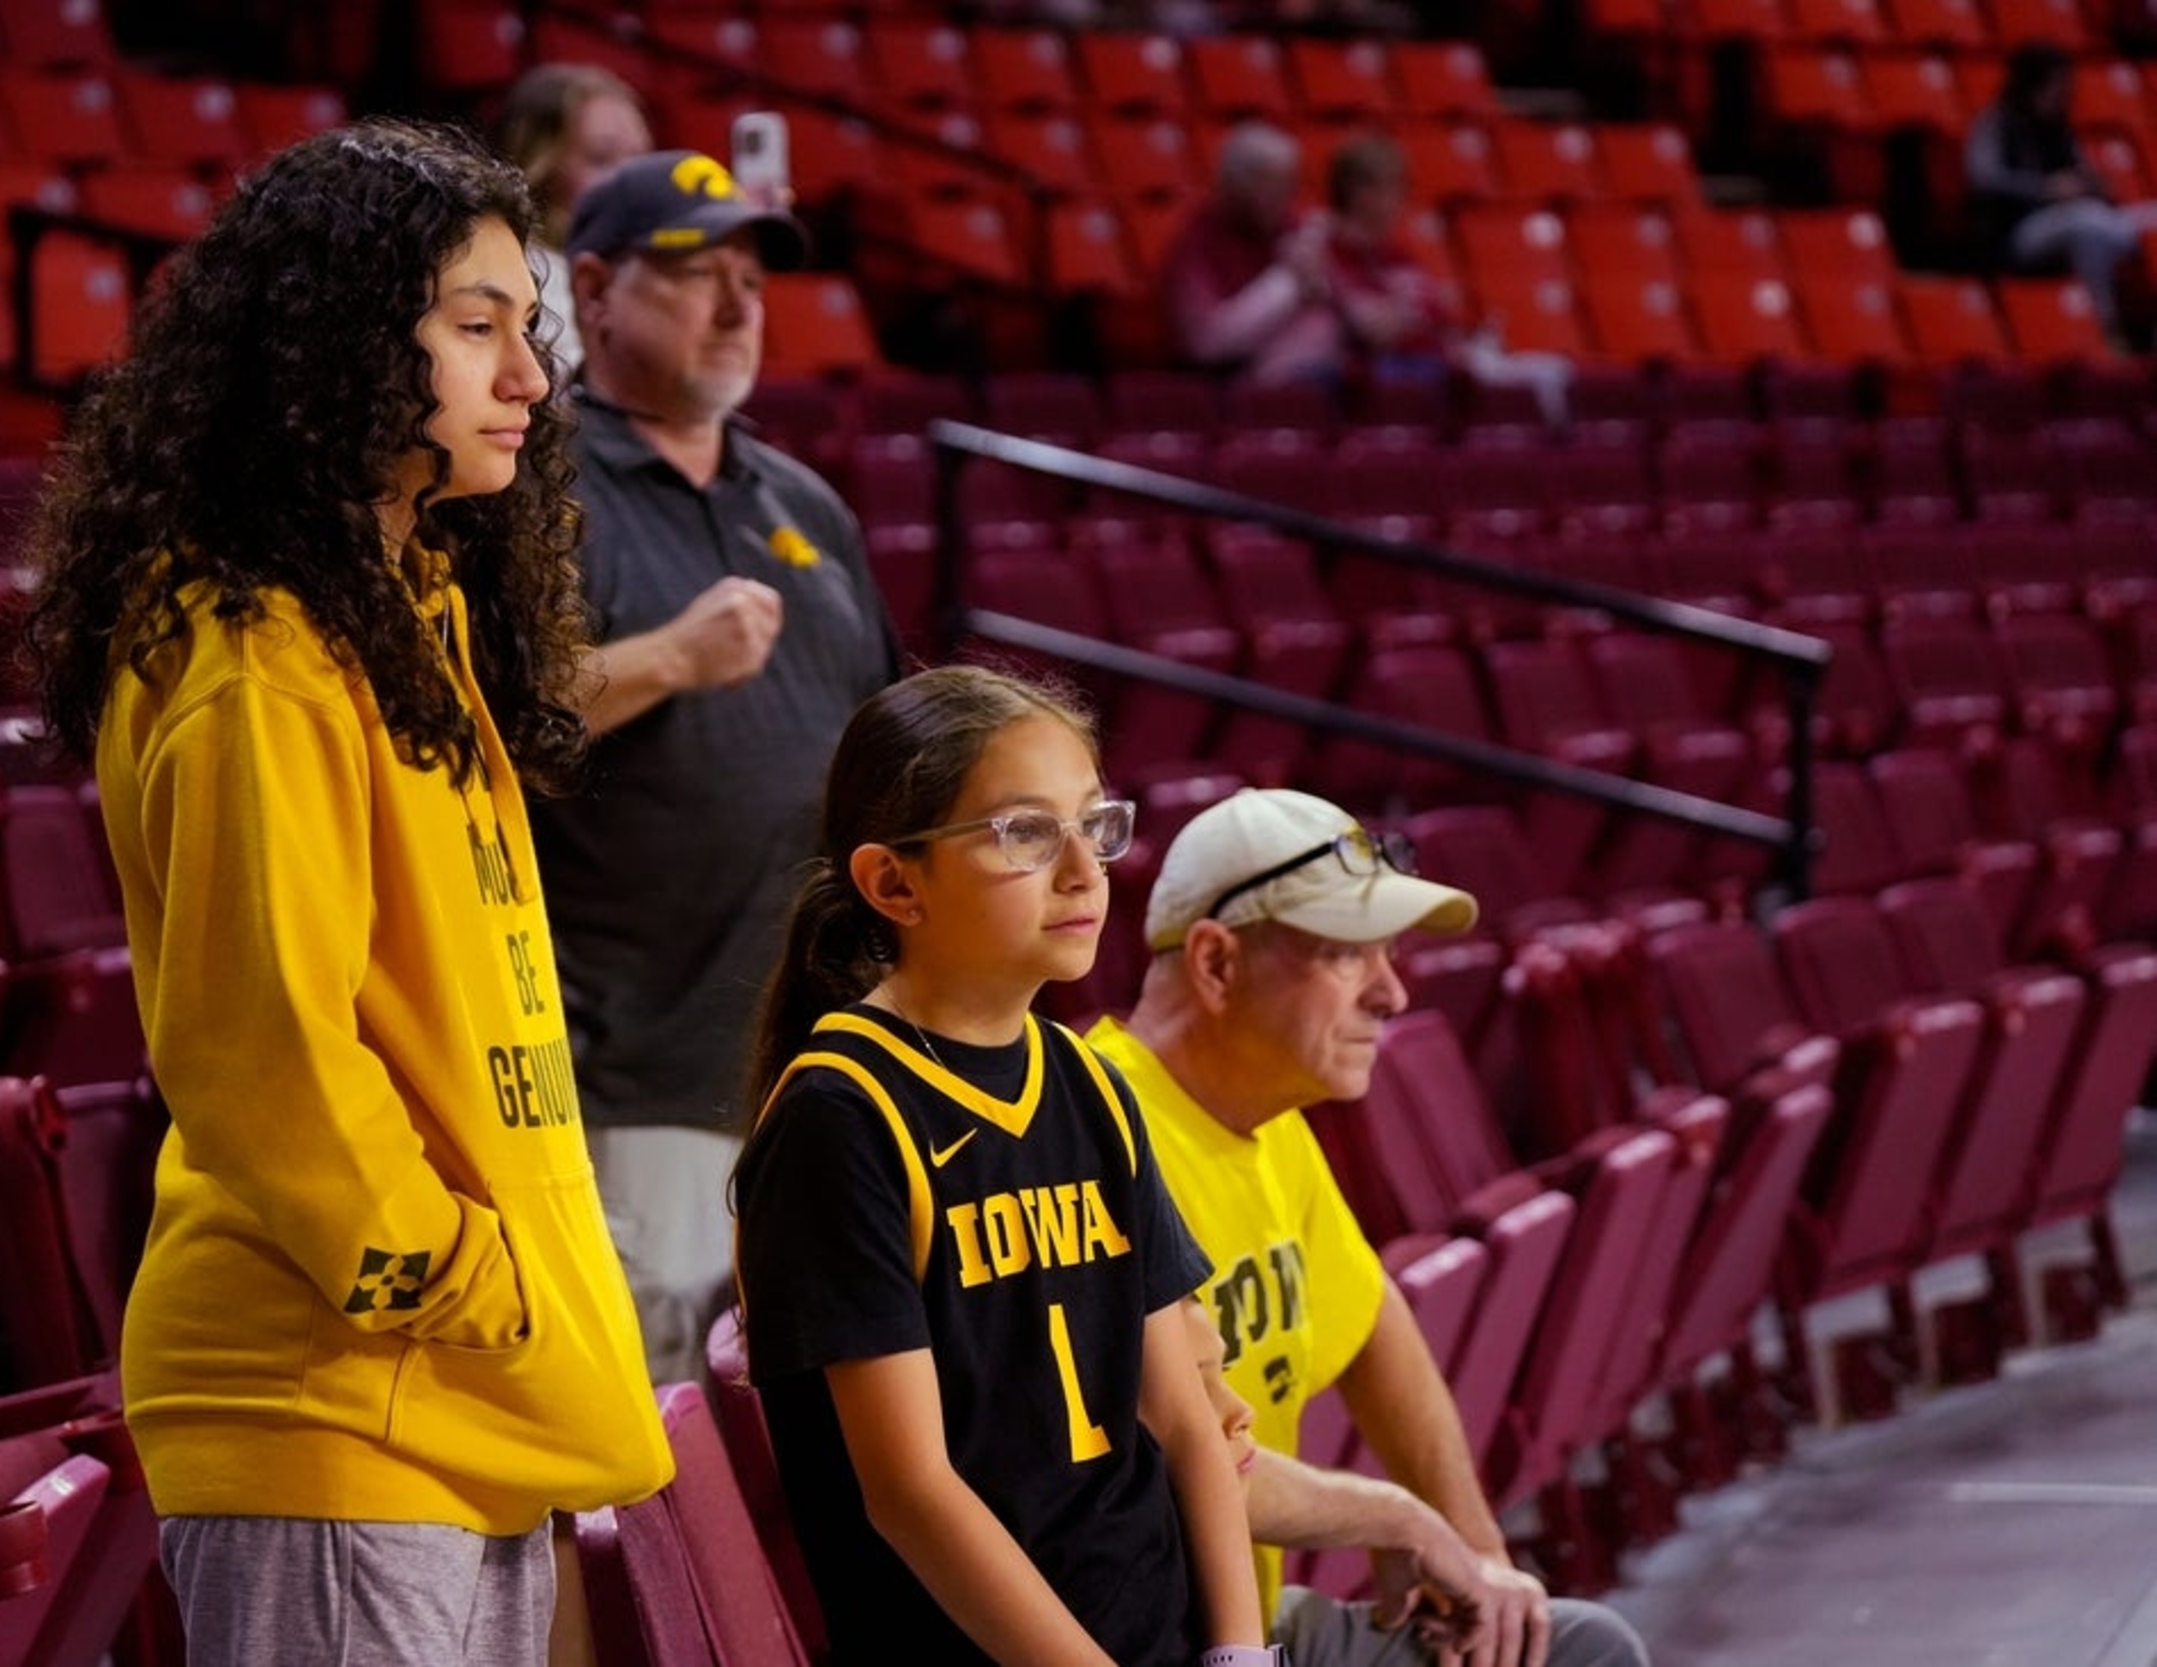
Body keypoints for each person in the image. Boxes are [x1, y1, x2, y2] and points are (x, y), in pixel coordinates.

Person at [20, 118, 671, 1666]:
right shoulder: (261, 657)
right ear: (341, 343)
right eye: (476, 329)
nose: (529, 378)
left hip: (439, 1391)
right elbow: (266, 1054)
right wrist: (467, 1276)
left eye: (532, 330)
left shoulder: (395, 607)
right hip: (334, 1389)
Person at [731, 664, 1275, 1667]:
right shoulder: (841, 1114)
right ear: (893, 882)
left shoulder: (1089, 1082)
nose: (1083, 868)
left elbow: (1186, 1418)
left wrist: (1241, 1653)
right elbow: (910, 1490)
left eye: (1092, 824)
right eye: (1024, 833)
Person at [1090, 789, 1651, 1667]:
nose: (1391, 992)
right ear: (1217, 963)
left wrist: (1479, 1557)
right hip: (1158, 1644)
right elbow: (1174, 1449)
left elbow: (1371, 1319)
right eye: (1350, 955)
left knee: (1574, 1648)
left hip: (1262, 1622)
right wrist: (1395, 1515)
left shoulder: (1269, 1119)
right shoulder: (1095, 1135)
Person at [530, 148, 899, 1385]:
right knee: (650, 1487)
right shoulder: (531, 487)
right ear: (592, 289)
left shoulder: (801, 499)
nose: (740, 306)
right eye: (695, 275)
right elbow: (465, 740)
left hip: (821, 1075)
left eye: (752, 277)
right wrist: (667, 660)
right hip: (633, 1079)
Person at [1320, 133, 1575, 426]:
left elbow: (1438, 317)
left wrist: (1442, 330)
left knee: (1552, 372)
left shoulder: (1398, 257)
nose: (1401, 200)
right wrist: (1410, 318)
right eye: (1393, 188)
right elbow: (1374, 330)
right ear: (1359, 193)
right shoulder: (1326, 251)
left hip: (1432, 365)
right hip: (1378, 377)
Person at [1966, 40, 2157, 347]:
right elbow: (1985, 179)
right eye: (2058, 85)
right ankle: (2105, 329)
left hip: (2077, 215)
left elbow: (2081, 174)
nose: (2066, 93)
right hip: (2017, 230)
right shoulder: (1996, 123)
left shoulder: (2059, 128)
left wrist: (2092, 185)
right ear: (2032, 86)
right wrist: (2046, 189)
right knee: (2089, 225)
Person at [489, 61, 654, 367]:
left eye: (639, 158)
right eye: (601, 158)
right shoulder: (527, 274)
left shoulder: (636, 265)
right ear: (542, 166)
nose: (629, 180)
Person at [1163, 121, 1347, 386]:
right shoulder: (1196, 244)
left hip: (1300, 374)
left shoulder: (1290, 228)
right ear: (1234, 184)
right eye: (1270, 185)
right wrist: (1286, 282)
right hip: (1223, 390)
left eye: (1288, 186)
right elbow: (1205, 344)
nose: (1283, 198)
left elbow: (1335, 311)